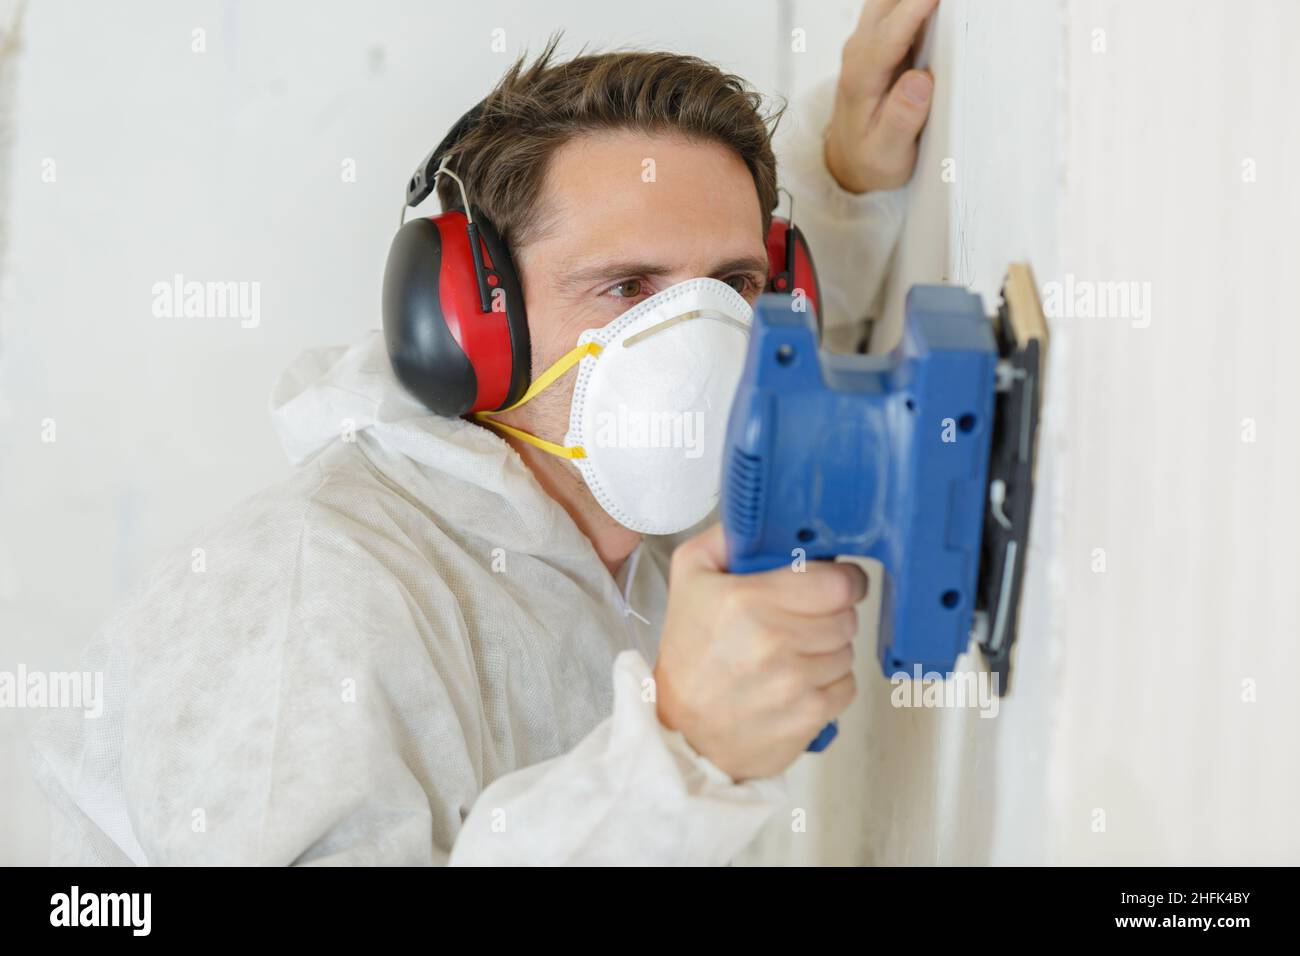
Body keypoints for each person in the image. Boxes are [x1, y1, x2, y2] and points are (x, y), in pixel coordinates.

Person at [34, 0, 938, 865]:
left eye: (733, 286)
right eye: (626, 289)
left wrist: (846, 178)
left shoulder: (637, 544)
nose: (698, 350)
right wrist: (675, 757)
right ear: (470, 322)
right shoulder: (309, 590)